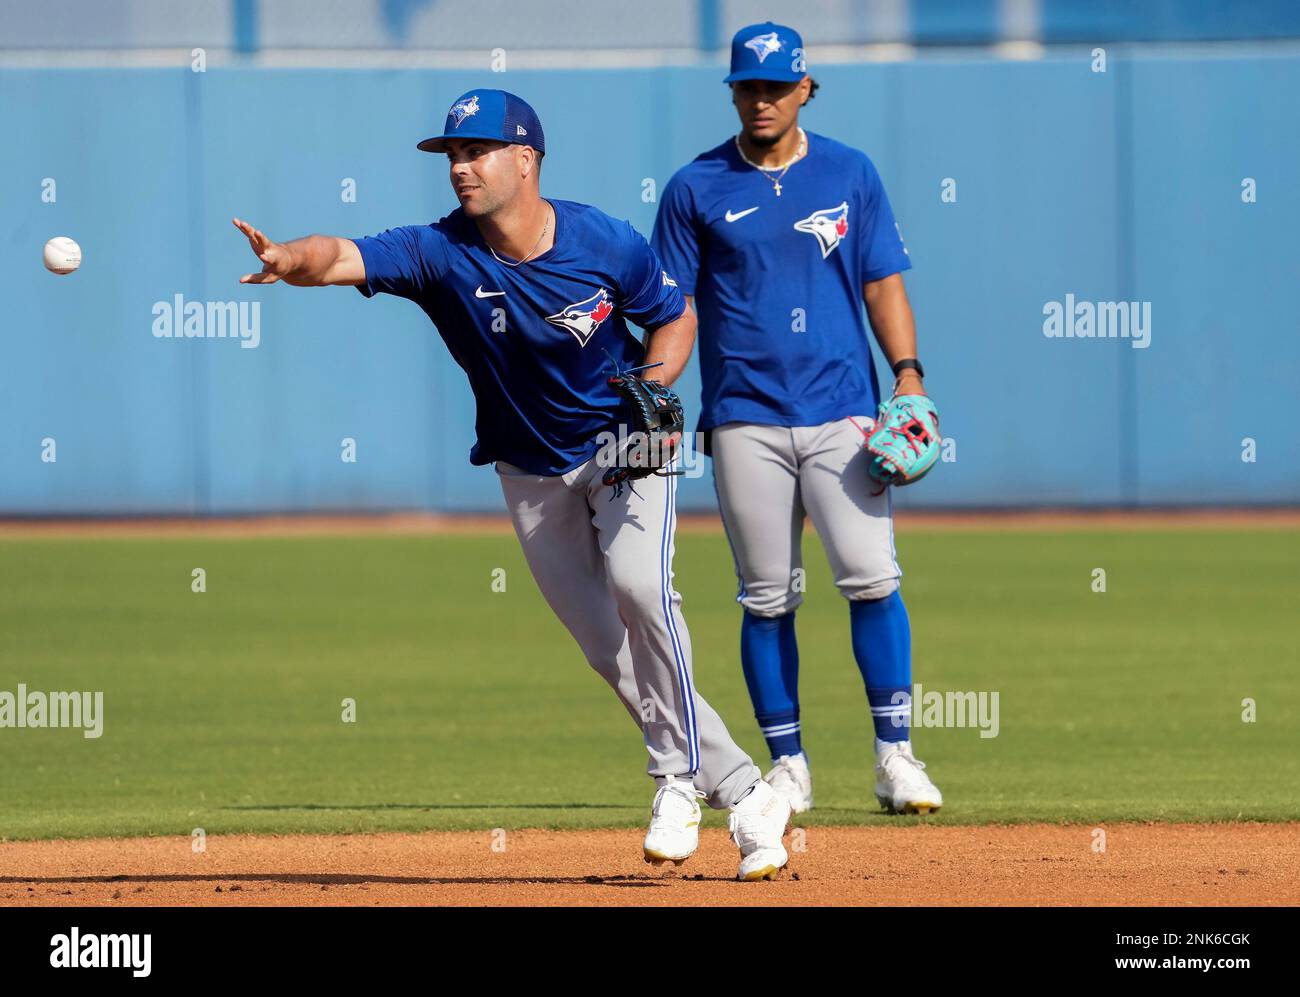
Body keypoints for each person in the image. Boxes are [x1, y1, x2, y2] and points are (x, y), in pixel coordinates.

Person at [232, 88, 791, 880]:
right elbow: (341, 253)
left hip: (623, 442)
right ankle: (745, 791)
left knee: (642, 590)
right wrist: (289, 260)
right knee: (606, 647)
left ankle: (673, 779)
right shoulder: (440, 251)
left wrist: (659, 381)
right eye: (453, 155)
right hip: (528, 469)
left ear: (525, 159)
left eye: (476, 151)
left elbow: (675, 314)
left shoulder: (604, 240)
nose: (461, 167)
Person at [651, 25, 944, 815]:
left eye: (777, 86)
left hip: (843, 410)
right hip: (744, 414)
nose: (763, 99)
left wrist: (907, 378)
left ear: (805, 88)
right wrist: (656, 383)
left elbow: (883, 283)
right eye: (749, 86)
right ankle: (788, 762)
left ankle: (895, 755)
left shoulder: (850, 172)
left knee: (872, 578)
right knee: (766, 596)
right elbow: (674, 306)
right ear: (734, 92)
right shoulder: (695, 186)